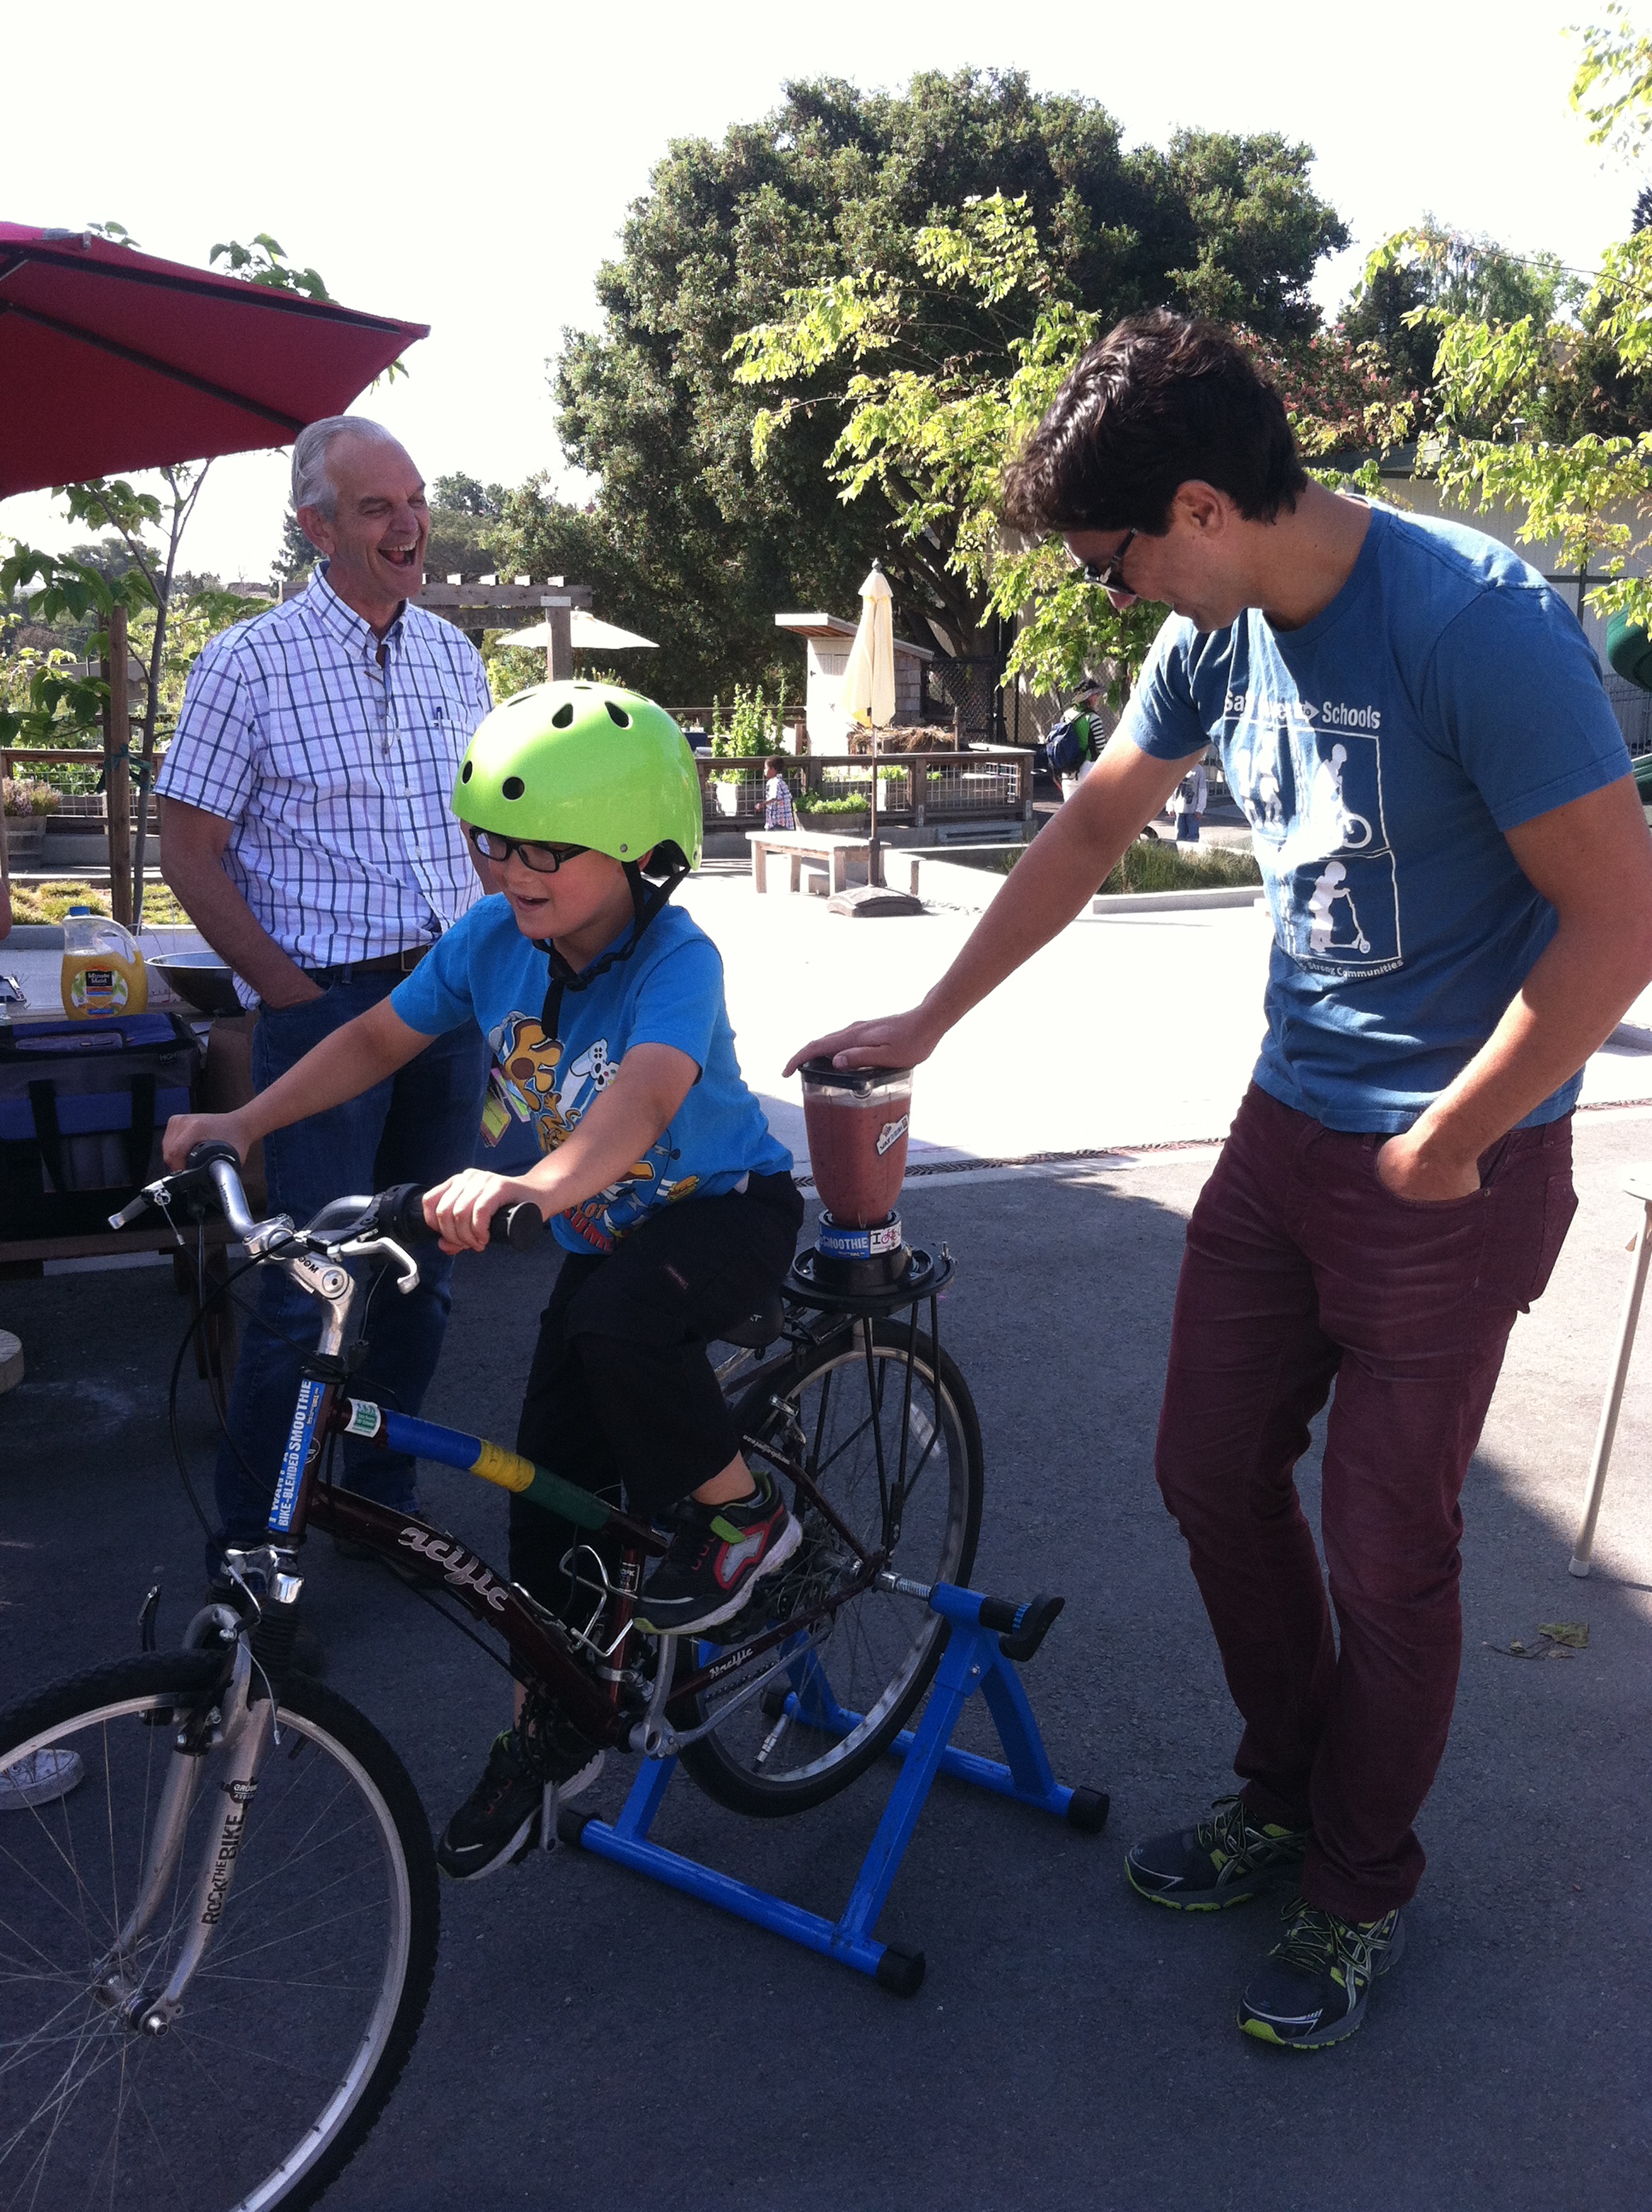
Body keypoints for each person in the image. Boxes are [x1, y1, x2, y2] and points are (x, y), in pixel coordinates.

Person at [786, 311, 1652, 2051]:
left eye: (1112, 563)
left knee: (1387, 1554)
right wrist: (929, 1016)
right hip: (1280, 1129)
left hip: (1447, 1161)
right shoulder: (1223, 634)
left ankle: (1353, 1882)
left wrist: (1457, 1136)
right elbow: (1096, 826)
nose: (1113, 597)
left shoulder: (1469, 623)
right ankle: (1281, 1787)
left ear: (1195, 508)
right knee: (1204, 1473)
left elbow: (1617, 919)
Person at [166, 681, 804, 1879]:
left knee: (620, 1328)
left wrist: (541, 1184)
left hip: (721, 1216)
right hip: (602, 1235)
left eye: (548, 849)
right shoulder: (488, 941)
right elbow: (372, 1040)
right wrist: (245, 1119)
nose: (513, 869)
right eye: (495, 842)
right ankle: (556, 1725)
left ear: (641, 851)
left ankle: (747, 1517)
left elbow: (646, 1096)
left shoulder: (676, 956)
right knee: (546, 1496)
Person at [157, 418, 496, 1569]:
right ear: (315, 527)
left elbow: (480, 832)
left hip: (447, 1005)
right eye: (374, 509)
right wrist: (288, 995)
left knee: (422, 1277)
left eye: (415, 500)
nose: (408, 526)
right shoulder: (245, 662)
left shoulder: (457, 656)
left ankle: (378, 1506)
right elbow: (189, 848)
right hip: (323, 1008)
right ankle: (254, 1550)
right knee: (305, 1289)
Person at [1046, 677, 1103, 800]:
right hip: (1088, 769)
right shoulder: (1093, 718)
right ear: (1088, 697)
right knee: (1090, 813)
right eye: (1095, 694)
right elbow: (1101, 748)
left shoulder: (1066, 715)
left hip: (1067, 771)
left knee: (1070, 810)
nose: (1098, 696)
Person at [1168, 754, 1208, 843]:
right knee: (1180, 836)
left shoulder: (1199, 770)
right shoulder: (1179, 768)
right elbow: (1173, 788)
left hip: (1193, 811)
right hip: (1179, 808)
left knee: (1192, 837)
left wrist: (1200, 809)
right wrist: (1171, 805)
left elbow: (1202, 790)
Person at [763, 752, 797, 830]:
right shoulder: (782, 782)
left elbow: (774, 797)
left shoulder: (774, 782)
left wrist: (762, 804)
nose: (764, 770)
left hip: (777, 823)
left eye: (766, 768)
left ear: (772, 769)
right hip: (786, 822)